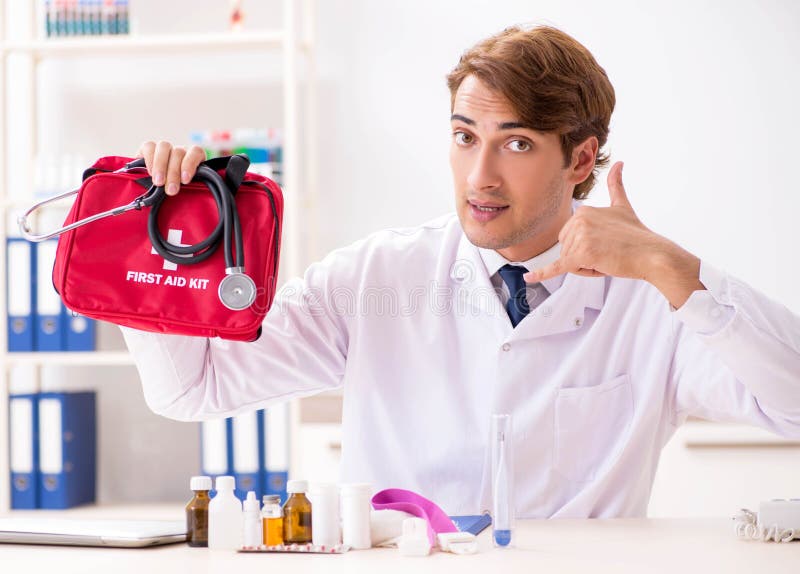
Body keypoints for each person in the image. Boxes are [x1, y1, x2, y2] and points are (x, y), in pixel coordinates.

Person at [124, 25, 800, 518]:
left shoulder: (655, 303)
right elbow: (193, 391)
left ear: (581, 159)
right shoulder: (372, 278)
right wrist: (157, 238)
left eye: (516, 144)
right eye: (463, 137)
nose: (480, 176)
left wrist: (674, 267)